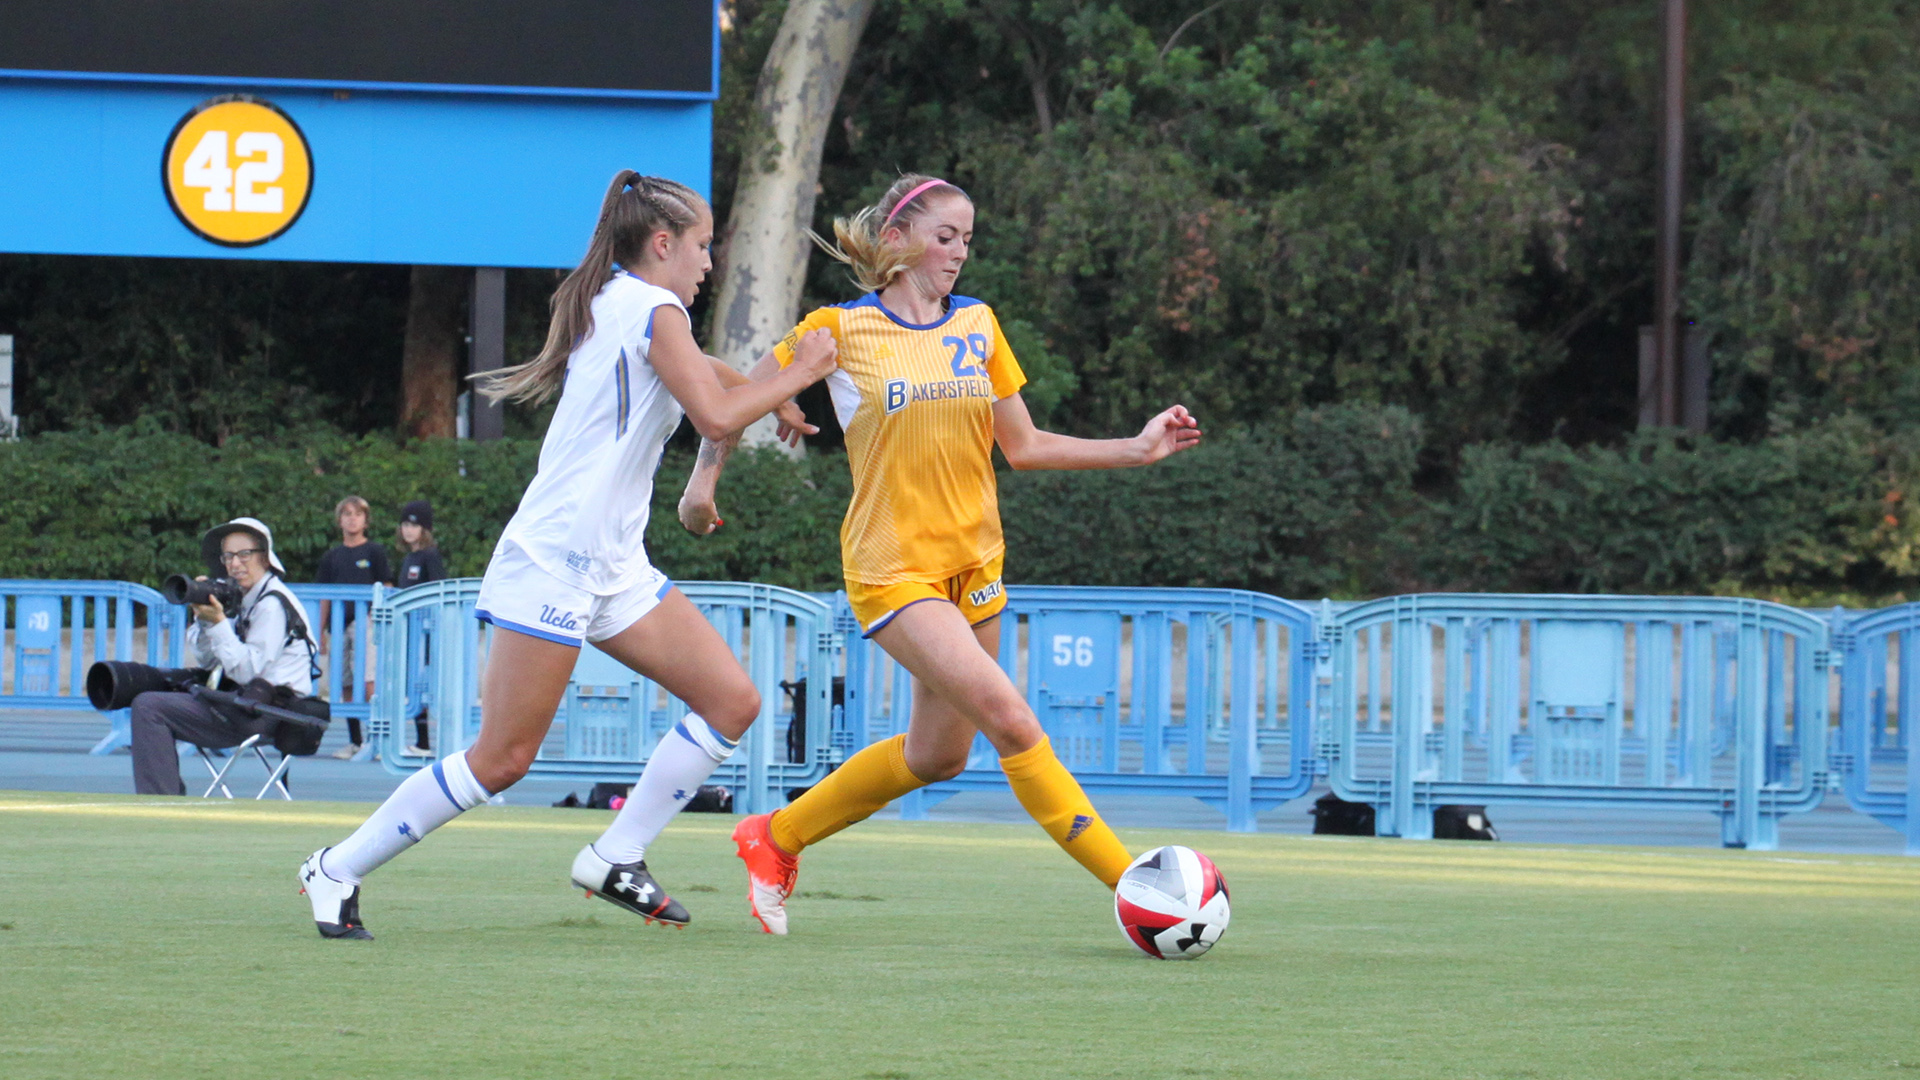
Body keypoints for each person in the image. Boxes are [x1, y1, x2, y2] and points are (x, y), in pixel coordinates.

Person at [295, 171, 838, 940]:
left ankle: (617, 852)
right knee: (503, 759)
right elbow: (716, 410)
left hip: (612, 564)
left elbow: (704, 376)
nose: (709, 261)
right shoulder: (649, 307)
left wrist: (770, 389)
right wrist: (803, 372)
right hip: (553, 560)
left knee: (733, 703)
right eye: (703, 245)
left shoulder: (635, 304)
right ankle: (336, 867)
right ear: (662, 245)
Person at [681, 174, 1202, 935]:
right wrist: (702, 484)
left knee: (937, 758)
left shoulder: (979, 326)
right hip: (892, 568)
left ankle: (774, 835)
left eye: (967, 238)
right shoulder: (838, 330)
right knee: (1013, 722)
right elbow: (726, 401)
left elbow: (1022, 448)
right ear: (896, 238)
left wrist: (1136, 448)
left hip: (976, 566)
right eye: (945, 235)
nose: (959, 251)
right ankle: (1140, 890)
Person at [130, 517, 319, 795]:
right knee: (142, 690)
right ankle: (163, 797)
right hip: (248, 704)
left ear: (265, 557)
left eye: (245, 554)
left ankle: (160, 802)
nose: (235, 563)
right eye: (228, 556)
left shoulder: (271, 605)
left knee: (149, 707)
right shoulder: (244, 598)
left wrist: (219, 625)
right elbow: (207, 661)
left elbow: (245, 671)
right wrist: (206, 620)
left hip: (269, 713)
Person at [315, 495, 391, 758]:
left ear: (366, 520)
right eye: (346, 514)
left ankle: (377, 739)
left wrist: (377, 618)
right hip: (338, 624)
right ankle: (355, 740)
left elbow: (387, 586)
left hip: (365, 623)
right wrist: (320, 631)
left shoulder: (375, 552)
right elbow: (324, 594)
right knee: (344, 680)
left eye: (357, 514)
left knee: (368, 678)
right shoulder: (331, 556)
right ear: (339, 520)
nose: (352, 518)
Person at [391, 499, 447, 756]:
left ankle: (426, 742)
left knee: (422, 685)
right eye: (405, 524)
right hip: (409, 633)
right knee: (412, 684)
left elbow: (438, 589)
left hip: (425, 633)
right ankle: (421, 740)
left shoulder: (430, 555)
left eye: (414, 525)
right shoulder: (409, 557)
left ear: (425, 529)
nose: (408, 530)